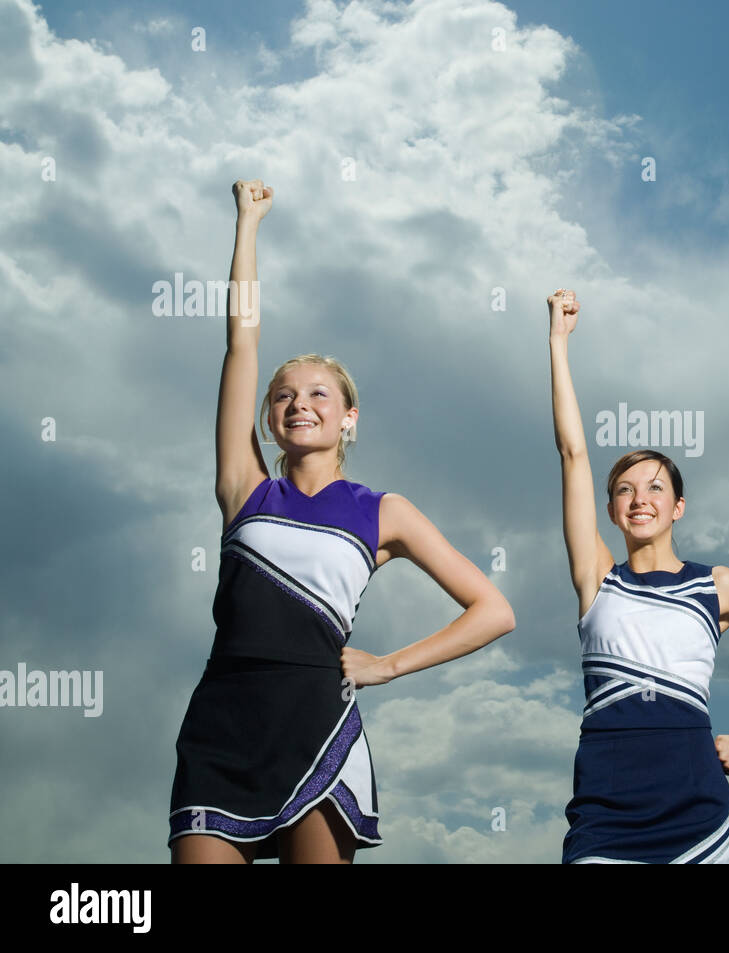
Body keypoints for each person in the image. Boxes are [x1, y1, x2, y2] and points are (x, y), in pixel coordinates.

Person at [168, 179, 516, 863]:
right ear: (268, 415)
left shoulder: (381, 510)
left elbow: (494, 610)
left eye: (319, 394)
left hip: (318, 726)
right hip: (223, 724)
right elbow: (241, 341)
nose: (301, 403)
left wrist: (389, 664)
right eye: (284, 395)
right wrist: (248, 223)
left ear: (348, 417)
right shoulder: (245, 488)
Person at [548, 288, 729, 863]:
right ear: (610, 511)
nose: (639, 499)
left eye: (656, 487)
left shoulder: (717, 586)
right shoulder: (597, 578)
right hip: (604, 808)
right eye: (624, 490)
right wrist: (558, 342)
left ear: (679, 507)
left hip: (696, 811)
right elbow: (573, 454)